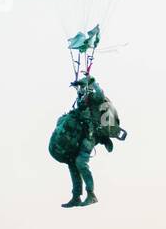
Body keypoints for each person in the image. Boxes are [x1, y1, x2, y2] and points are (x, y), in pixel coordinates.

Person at [48, 74, 124, 208]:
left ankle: (91, 195)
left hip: (91, 135)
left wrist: (90, 80)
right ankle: (76, 196)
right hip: (83, 133)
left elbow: (99, 92)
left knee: (80, 162)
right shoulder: (83, 97)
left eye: (84, 87)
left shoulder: (97, 98)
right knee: (72, 161)